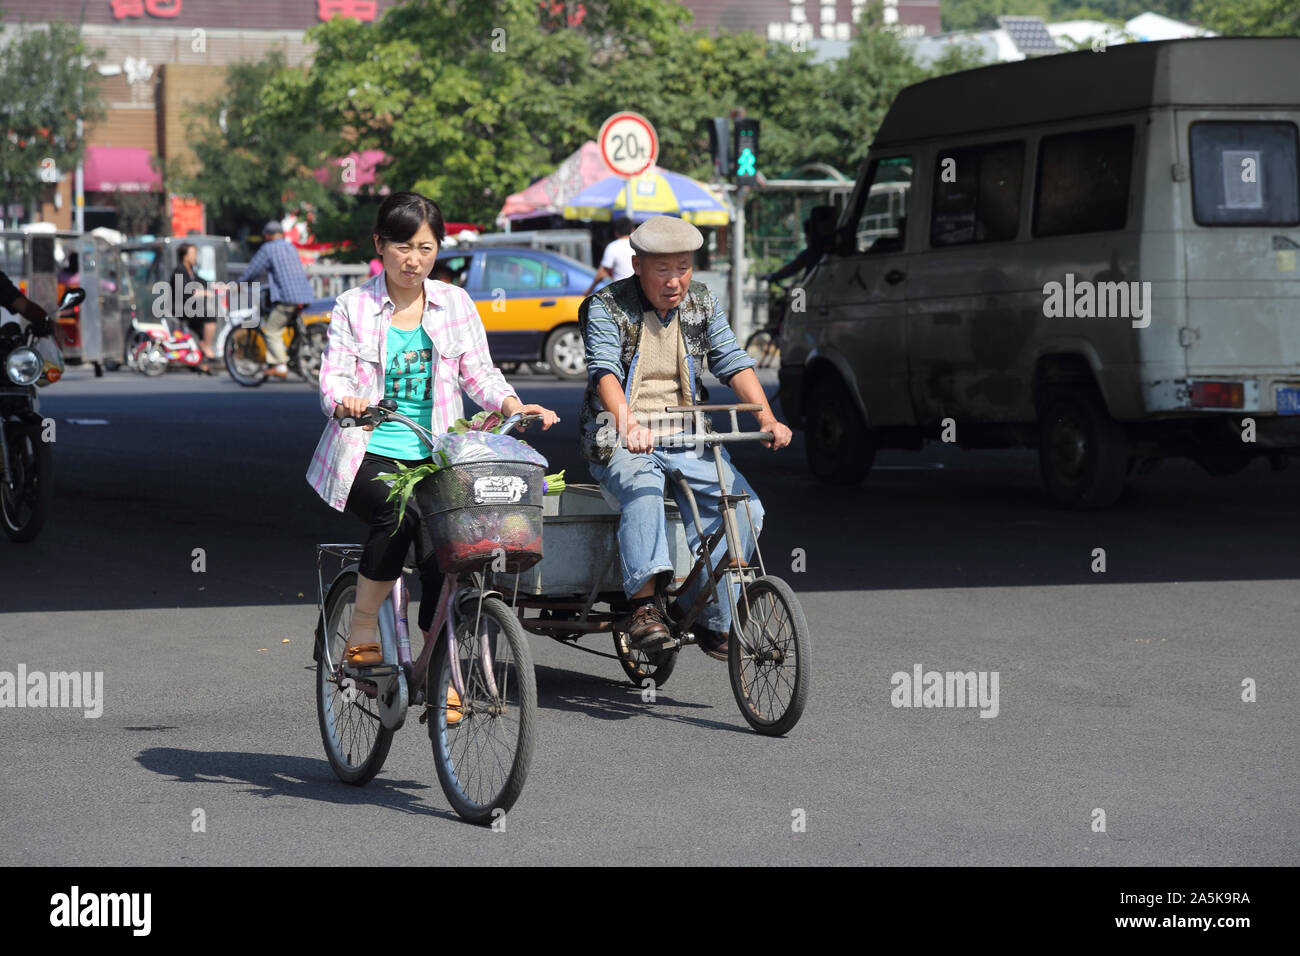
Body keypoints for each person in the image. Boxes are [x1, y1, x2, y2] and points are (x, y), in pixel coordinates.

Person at [307, 191, 560, 666]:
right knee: (400, 514)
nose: (414, 260)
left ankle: (438, 661)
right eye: (403, 247)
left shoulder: (455, 302)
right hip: (369, 453)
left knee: (449, 546)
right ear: (379, 244)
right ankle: (363, 624)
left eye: (426, 248)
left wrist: (513, 403)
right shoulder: (352, 307)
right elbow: (332, 383)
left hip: (438, 453)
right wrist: (348, 401)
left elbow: (479, 373)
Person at [579, 215, 793, 657]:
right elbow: (603, 371)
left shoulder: (701, 302)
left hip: (688, 432)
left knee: (747, 511)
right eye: (663, 269)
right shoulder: (605, 306)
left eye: (683, 266)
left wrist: (767, 419)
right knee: (644, 491)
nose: (675, 280)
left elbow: (732, 360)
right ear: (637, 265)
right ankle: (643, 606)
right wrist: (629, 425)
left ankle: (709, 613)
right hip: (621, 433)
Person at [235, 220, 315, 379]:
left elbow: (254, 270)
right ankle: (291, 355)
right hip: (304, 294)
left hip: (288, 297)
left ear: (267, 235)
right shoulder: (290, 247)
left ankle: (280, 365)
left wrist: (240, 284)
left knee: (272, 330)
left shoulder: (268, 249)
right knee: (286, 323)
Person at [171, 242, 216, 374]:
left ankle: (201, 360)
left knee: (201, 331)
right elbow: (186, 290)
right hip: (180, 308)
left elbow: (204, 283)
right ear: (185, 256)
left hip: (192, 307)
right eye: (193, 253)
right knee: (209, 316)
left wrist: (219, 287)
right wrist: (204, 293)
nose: (195, 256)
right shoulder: (179, 270)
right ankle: (206, 348)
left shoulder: (191, 271)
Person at [582, 216, 635, 296]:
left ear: (616, 232)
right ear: (632, 230)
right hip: (639, 292)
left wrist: (589, 290)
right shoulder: (637, 245)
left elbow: (602, 272)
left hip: (621, 293)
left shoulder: (613, 247)